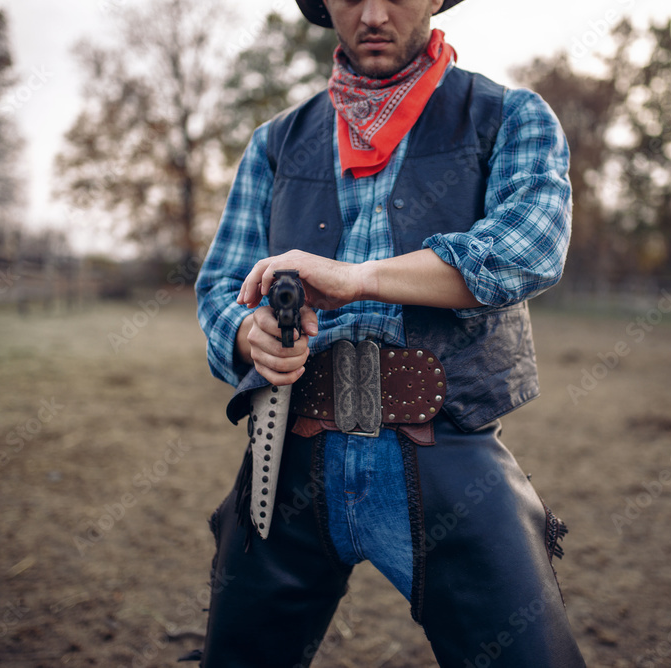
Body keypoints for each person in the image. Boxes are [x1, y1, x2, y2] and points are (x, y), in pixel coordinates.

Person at [192, 0, 586, 665]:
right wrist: (246, 336)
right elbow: (220, 289)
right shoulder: (274, 143)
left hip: (447, 453)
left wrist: (359, 278)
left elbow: (530, 246)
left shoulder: (509, 116)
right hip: (287, 459)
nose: (373, 13)